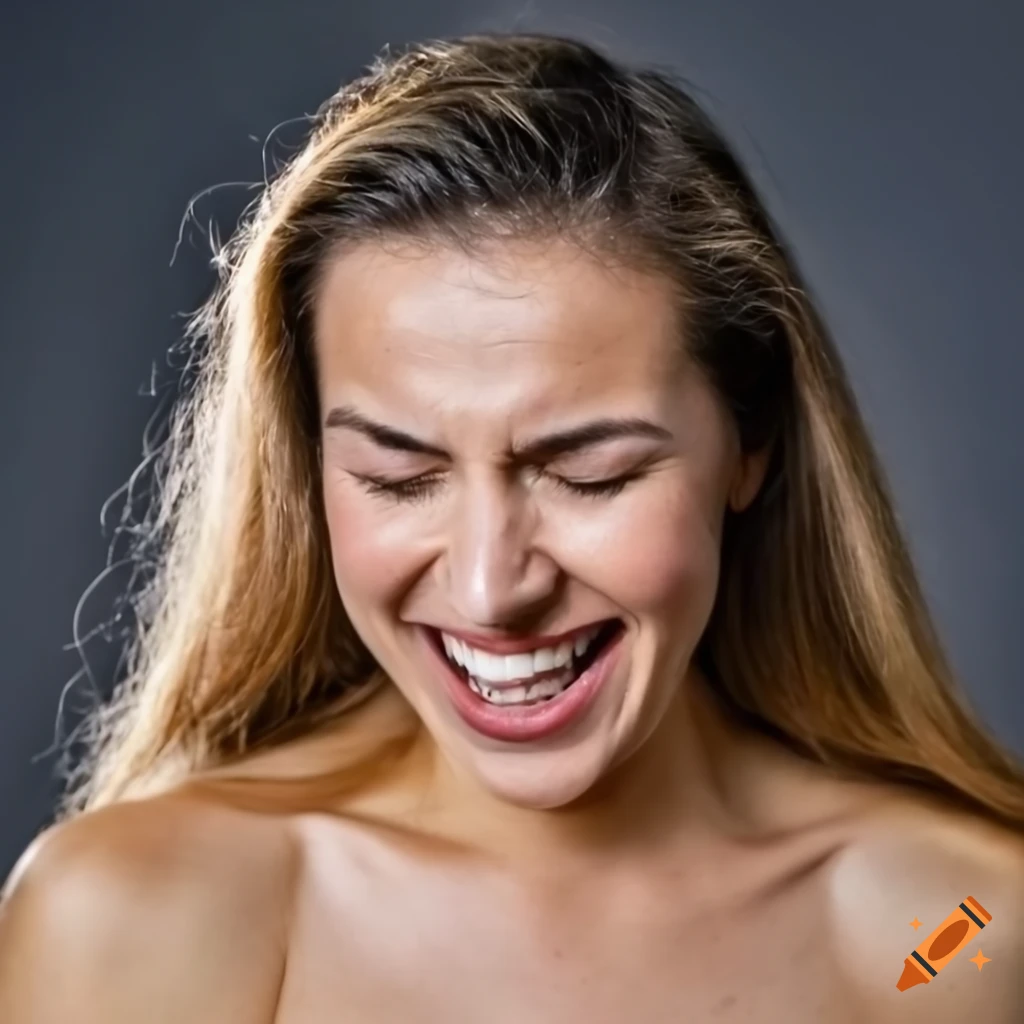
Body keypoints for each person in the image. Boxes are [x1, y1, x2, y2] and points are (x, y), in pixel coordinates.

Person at [1, 31, 1022, 1024]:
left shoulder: (957, 934)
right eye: (397, 477)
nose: (492, 587)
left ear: (749, 445)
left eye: (590, 473)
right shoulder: (135, 918)